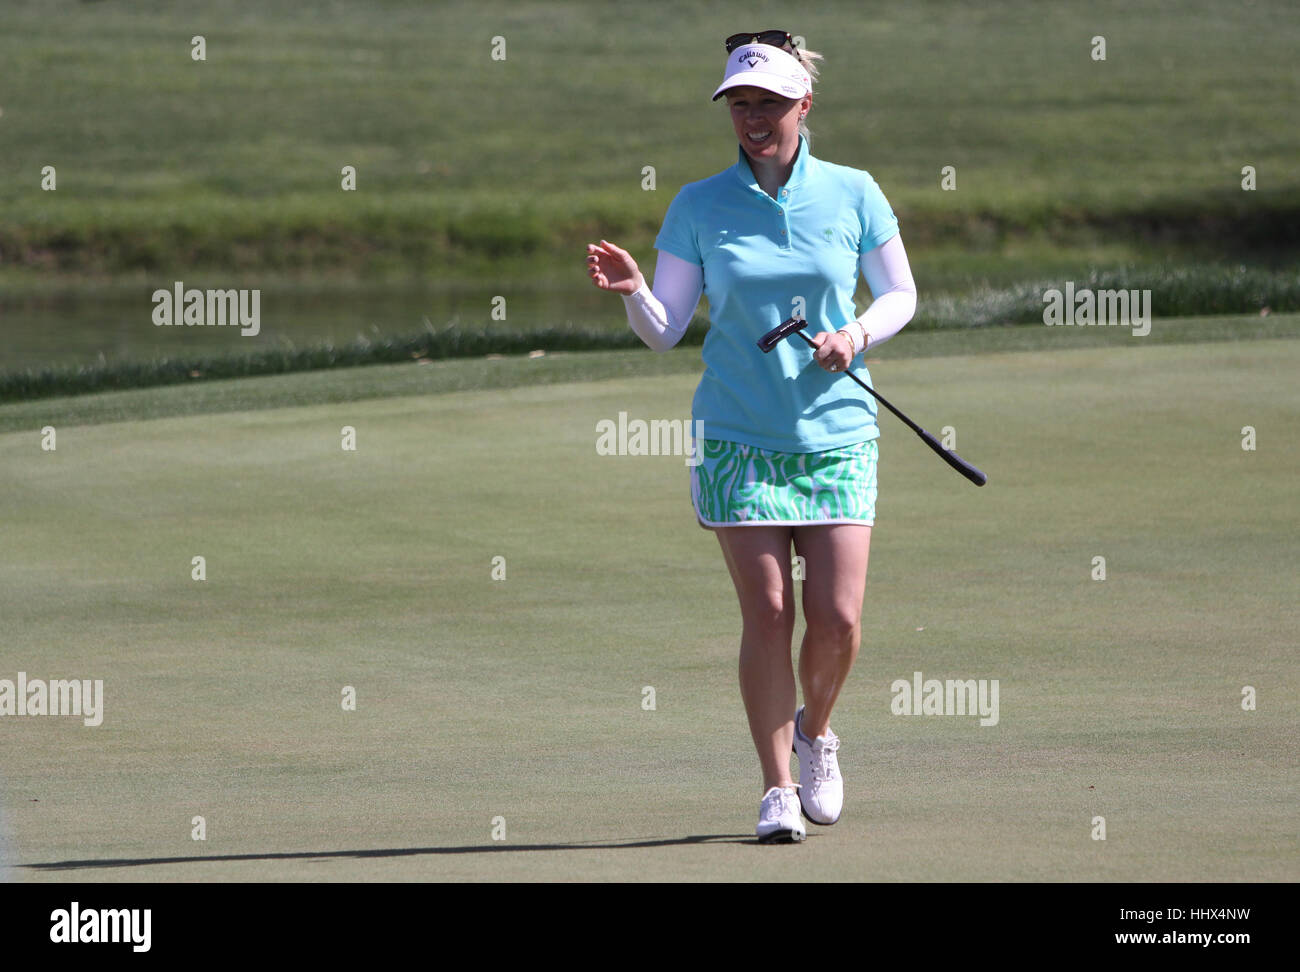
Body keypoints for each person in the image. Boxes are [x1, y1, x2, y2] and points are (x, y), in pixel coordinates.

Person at [586, 31, 917, 843]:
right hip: (737, 435)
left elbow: (901, 293)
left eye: (769, 102)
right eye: (741, 104)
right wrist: (634, 292)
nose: (753, 118)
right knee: (768, 611)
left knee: (835, 617)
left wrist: (857, 336)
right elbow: (665, 330)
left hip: (836, 430)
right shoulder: (699, 205)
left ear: (805, 104)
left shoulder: (853, 192)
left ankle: (816, 734)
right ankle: (775, 788)